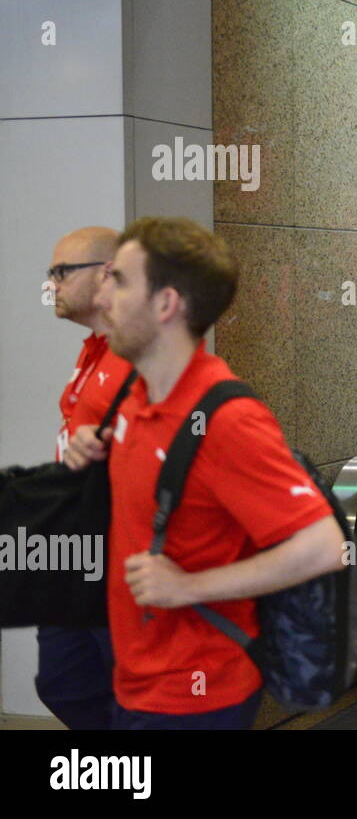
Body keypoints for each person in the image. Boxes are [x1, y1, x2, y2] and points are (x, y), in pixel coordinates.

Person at [85, 217, 346, 729]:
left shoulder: (226, 419)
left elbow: (325, 546)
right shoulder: (137, 399)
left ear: (165, 304)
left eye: (118, 281)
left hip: (196, 697)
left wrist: (187, 588)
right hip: (136, 682)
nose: (102, 299)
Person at [37, 226, 134, 730]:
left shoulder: (139, 355)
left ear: (103, 275)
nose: (50, 285)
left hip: (119, 558)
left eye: (60, 273)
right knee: (62, 680)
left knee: (128, 688)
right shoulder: (95, 348)